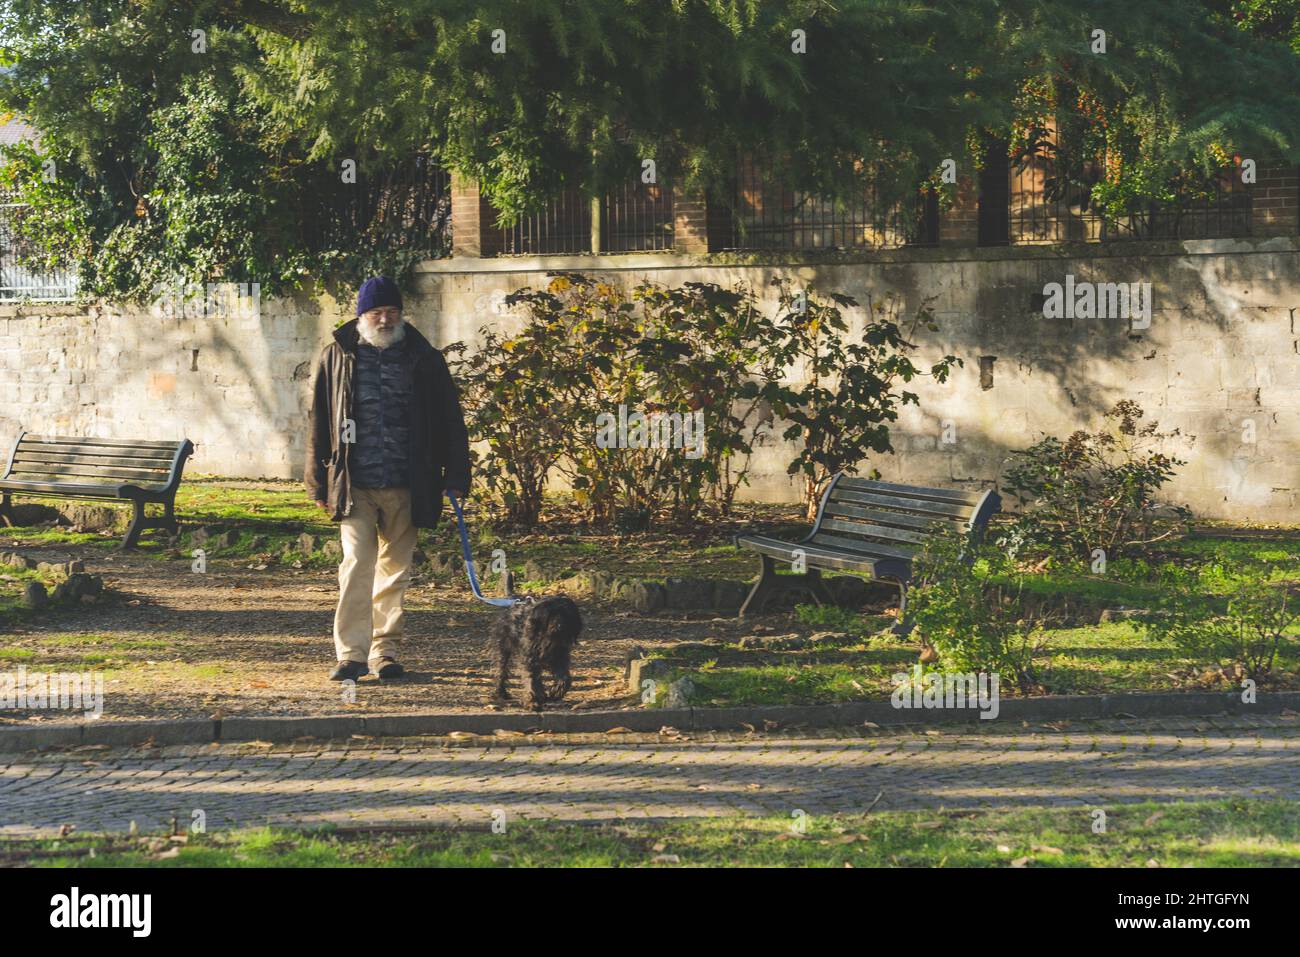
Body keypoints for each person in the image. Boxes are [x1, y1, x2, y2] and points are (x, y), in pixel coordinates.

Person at [304, 276, 470, 681]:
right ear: (361, 315)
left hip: (408, 482)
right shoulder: (336, 356)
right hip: (354, 483)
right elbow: (318, 420)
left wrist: (456, 476)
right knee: (356, 564)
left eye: (392, 312)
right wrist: (317, 481)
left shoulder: (424, 358)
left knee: (395, 571)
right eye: (376, 312)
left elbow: (450, 419)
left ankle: (385, 652)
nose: (385, 319)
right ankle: (351, 654)